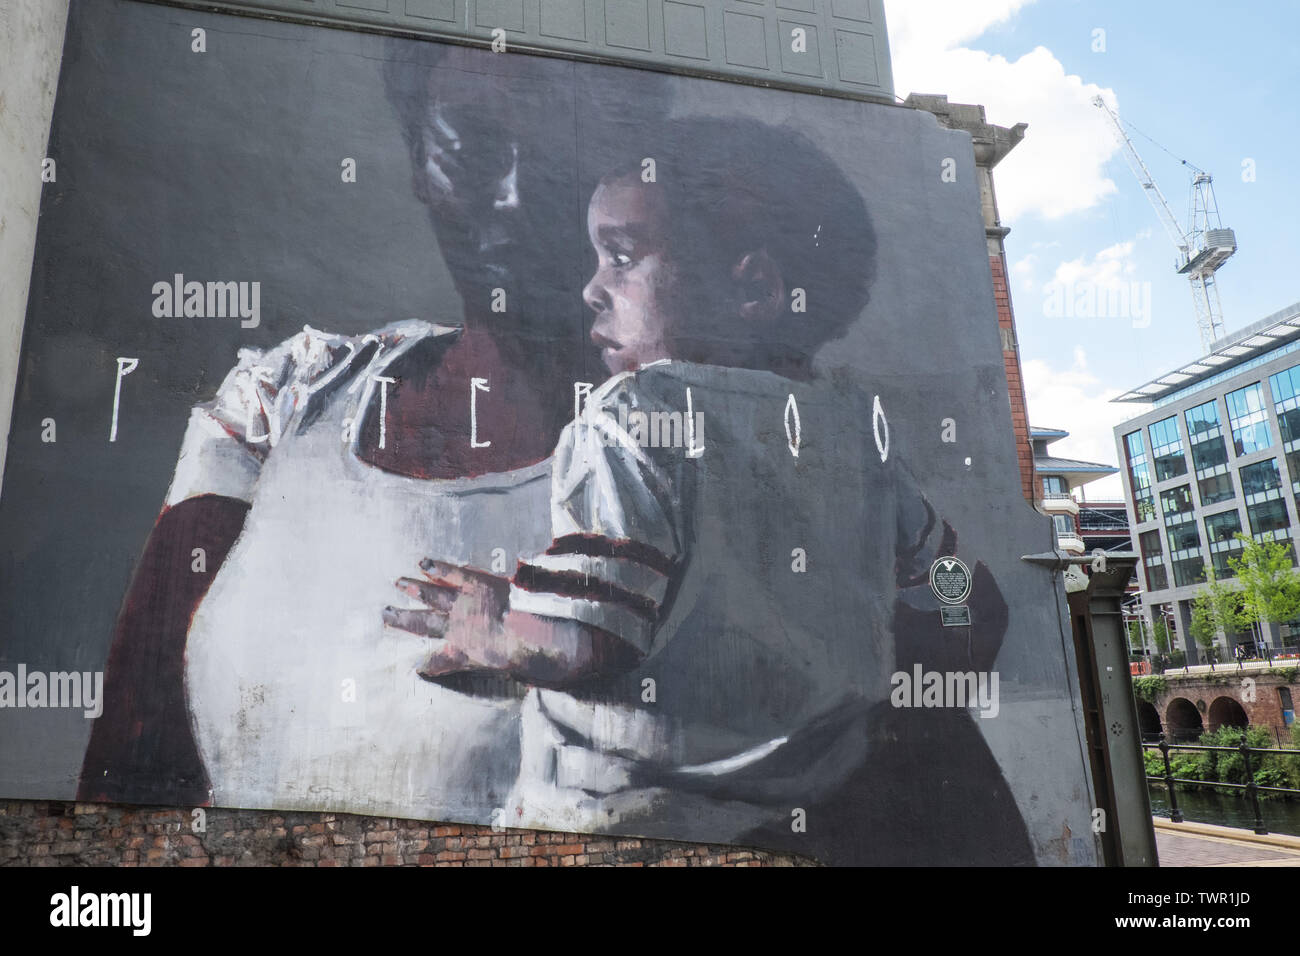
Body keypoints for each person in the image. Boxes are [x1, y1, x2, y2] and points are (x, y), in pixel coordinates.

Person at [386, 117, 1035, 863]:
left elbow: (590, 639)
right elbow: (966, 594)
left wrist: (497, 629)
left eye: (621, 258)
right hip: (820, 797)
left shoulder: (632, 422)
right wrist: (890, 698)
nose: (591, 289)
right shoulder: (857, 427)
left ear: (753, 288)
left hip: (633, 824)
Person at [77, 40, 671, 814]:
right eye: (478, 150)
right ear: (420, 165)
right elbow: (129, 763)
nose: (521, 198)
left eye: (563, 158)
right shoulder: (282, 404)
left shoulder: (673, 463)